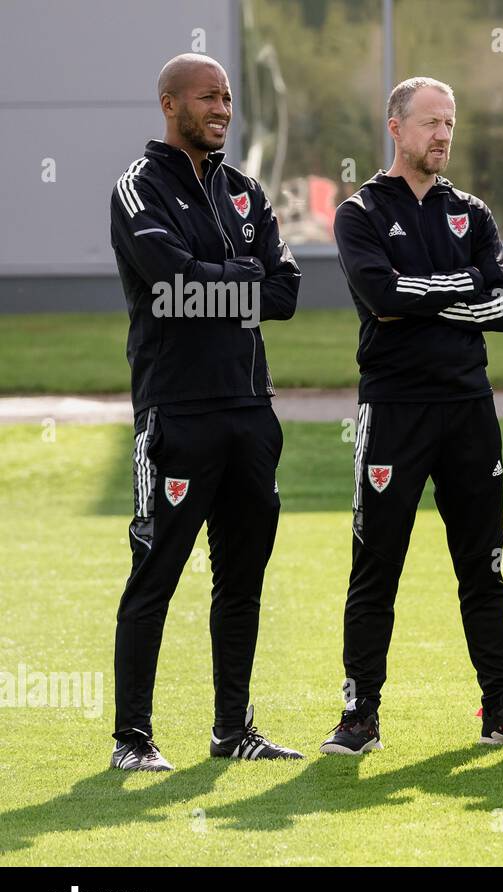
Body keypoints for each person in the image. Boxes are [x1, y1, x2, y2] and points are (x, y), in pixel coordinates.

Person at [322, 77, 503, 753]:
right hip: (395, 412)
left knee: (483, 565)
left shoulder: (473, 213)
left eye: (450, 123)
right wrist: (458, 287)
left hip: (467, 411)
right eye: (430, 122)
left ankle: (501, 708)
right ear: (395, 127)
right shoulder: (361, 211)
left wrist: (421, 296)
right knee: (377, 564)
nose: (443, 136)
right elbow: (380, 296)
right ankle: (360, 714)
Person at [109, 53, 302, 771]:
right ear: (169, 104)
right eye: (207, 98)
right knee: (154, 576)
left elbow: (285, 292)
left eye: (226, 98)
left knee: (242, 579)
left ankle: (233, 730)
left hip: (252, 414)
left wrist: (220, 279)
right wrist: (236, 277)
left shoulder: (246, 192)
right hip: (177, 416)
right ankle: (132, 739)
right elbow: (173, 284)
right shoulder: (137, 189)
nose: (221, 108)